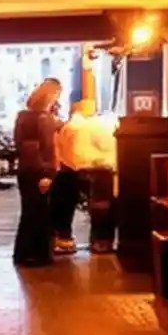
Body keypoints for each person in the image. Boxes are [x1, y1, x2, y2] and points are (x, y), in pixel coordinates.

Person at [51, 99, 116, 253]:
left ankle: (63, 239)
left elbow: (64, 151)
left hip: (72, 168)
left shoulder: (69, 127)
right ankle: (101, 242)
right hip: (102, 170)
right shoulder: (103, 125)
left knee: (64, 205)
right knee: (101, 208)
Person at [13, 79, 62, 266]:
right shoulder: (45, 119)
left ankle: (22, 253)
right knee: (41, 213)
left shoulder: (22, 116)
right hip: (40, 169)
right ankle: (39, 254)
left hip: (25, 169)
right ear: (52, 95)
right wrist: (49, 174)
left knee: (28, 212)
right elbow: (49, 148)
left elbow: (17, 144)